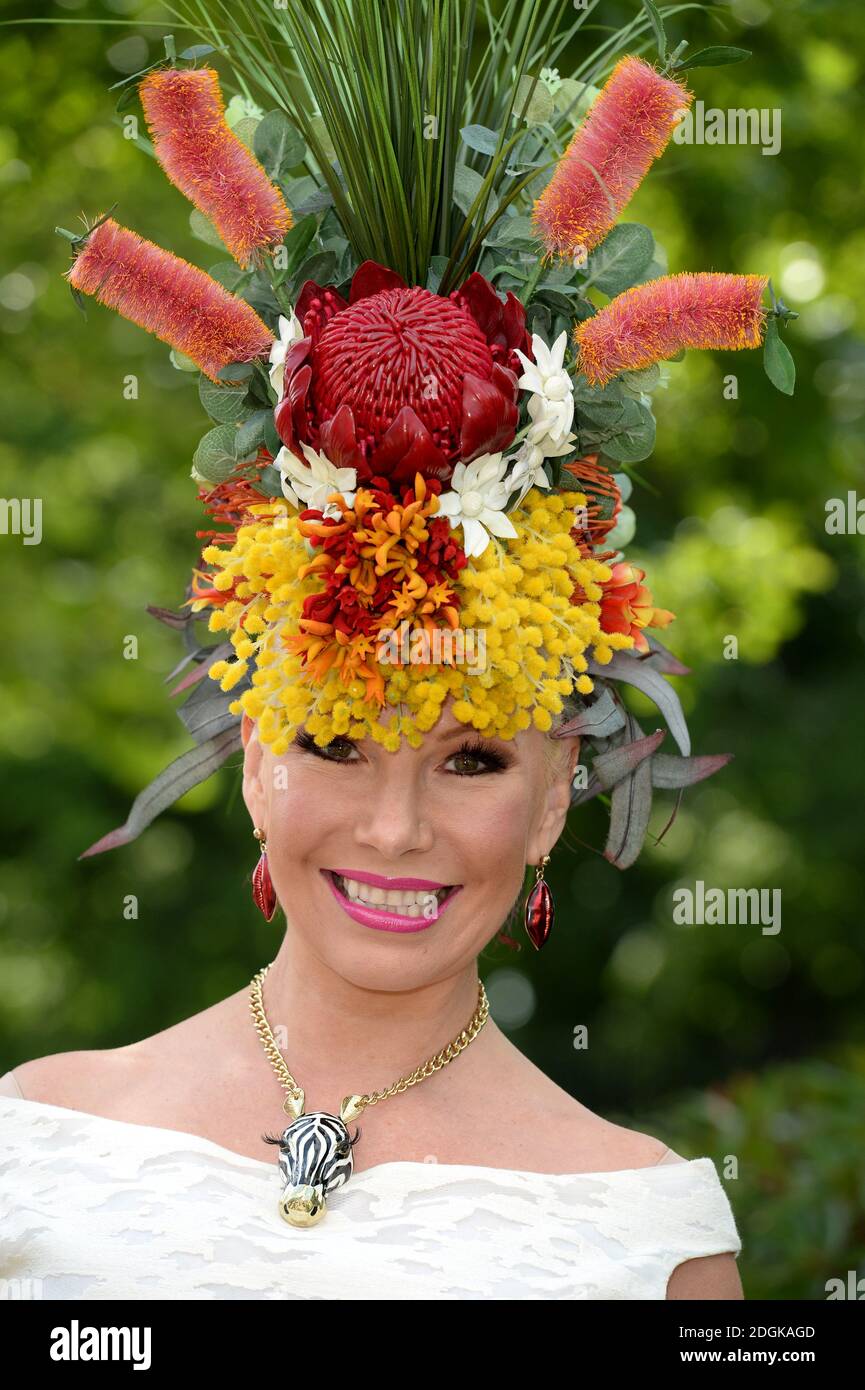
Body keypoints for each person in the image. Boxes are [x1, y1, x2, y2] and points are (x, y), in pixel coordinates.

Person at [0, 26, 775, 1300]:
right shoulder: (38, 1137)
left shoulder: (654, 1236)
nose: (397, 825)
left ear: (552, 797)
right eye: (336, 740)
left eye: (471, 758)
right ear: (254, 756)